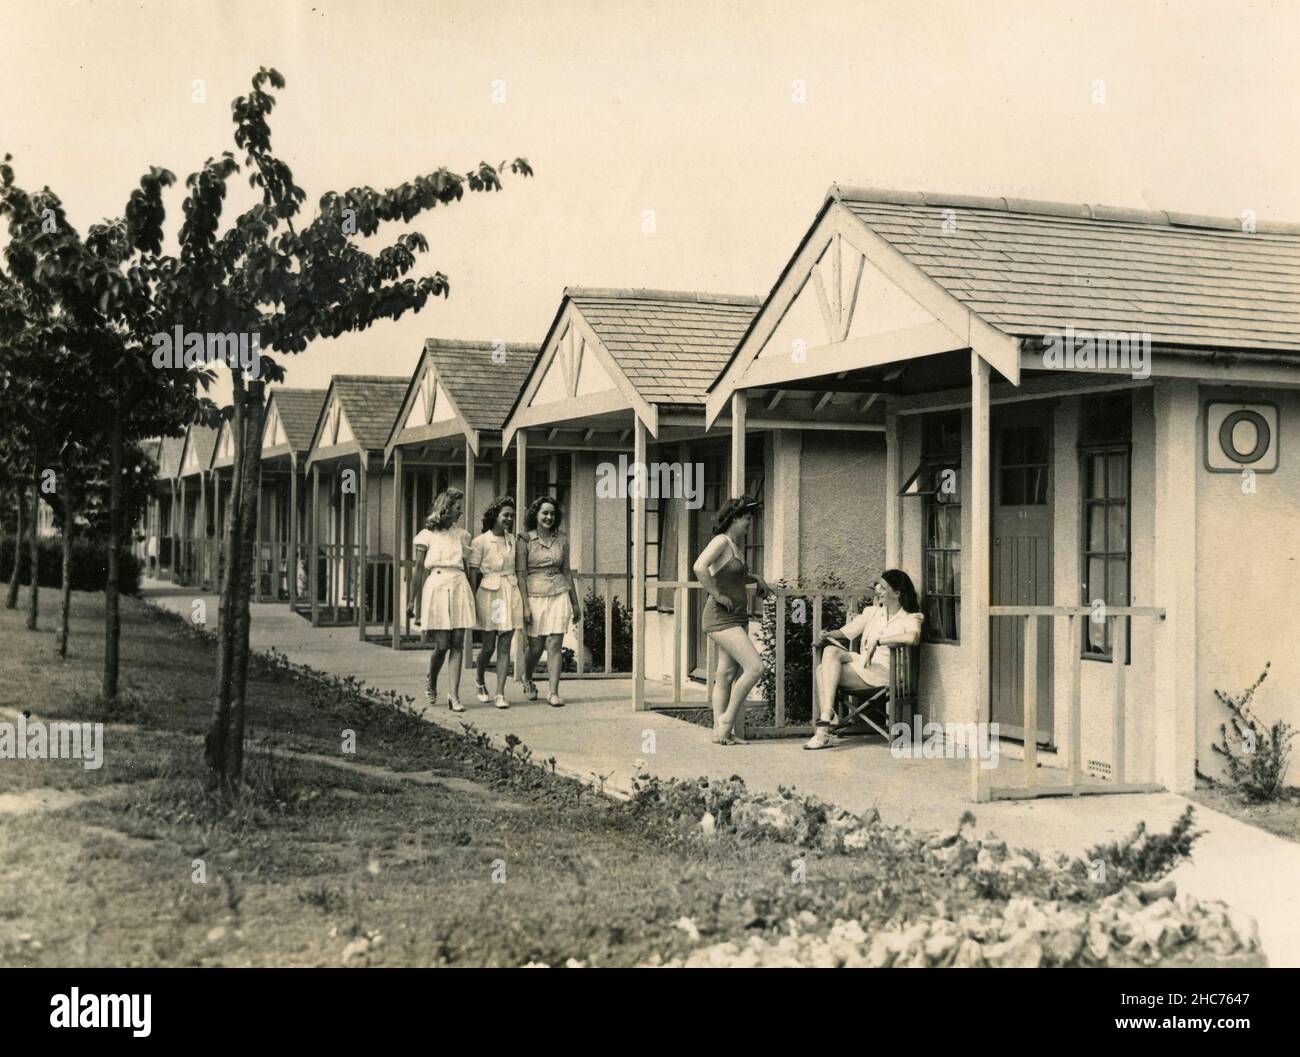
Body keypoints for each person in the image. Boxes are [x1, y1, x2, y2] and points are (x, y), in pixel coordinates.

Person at [805, 568, 923, 750]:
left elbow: (912, 638)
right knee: (830, 650)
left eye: (883, 587)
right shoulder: (872, 612)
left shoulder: (910, 617)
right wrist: (827, 634)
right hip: (865, 665)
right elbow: (847, 631)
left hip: (886, 674)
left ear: (897, 593)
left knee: (822, 670)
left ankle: (824, 727)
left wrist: (880, 640)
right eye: (878, 586)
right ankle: (828, 714)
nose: (877, 590)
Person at [692, 495, 770, 745]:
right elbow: (699, 566)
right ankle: (726, 720)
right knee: (755, 668)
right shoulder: (721, 541)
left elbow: (733, 577)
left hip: (737, 615)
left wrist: (756, 579)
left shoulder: (735, 546)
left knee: (726, 674)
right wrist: (715, 594)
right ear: (735, 518)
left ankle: (721, 733)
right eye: (747, 518)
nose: (750, 523)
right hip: (720, 616)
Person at [408, 488, 477, 713]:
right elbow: (418, 569)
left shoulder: (463, 536)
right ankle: (432, 679)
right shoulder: (426, 535)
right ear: (446, 508)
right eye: (458, 508)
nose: (460, 513)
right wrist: (412, 601)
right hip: (437, 586)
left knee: (458, 642)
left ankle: (454, 695)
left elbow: (468, 568)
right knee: (442, 645)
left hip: (459, 585)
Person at [516, 494, 581, 707]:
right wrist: (525, 606)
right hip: (534, 595)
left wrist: (575, 603)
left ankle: (553, 692)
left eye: (552, 514)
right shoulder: (525, 540)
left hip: (559, 592)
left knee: (555, 644)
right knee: (535, 647)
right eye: (545, 513)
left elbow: (567, 572)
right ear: (535, 515)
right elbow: (522, 576)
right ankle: (527, 678)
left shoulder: (561, 539)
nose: (549, 517)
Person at [468, 495, 522, 709]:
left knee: (506, 645)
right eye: (505, 515)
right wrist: (471, 600)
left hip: (510, 591)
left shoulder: (513, 540)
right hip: (490, 593)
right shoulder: (480, 541)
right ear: (495, 516)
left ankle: (500, 692)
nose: (509, 519)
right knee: (488, 645)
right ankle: (480, 679)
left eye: (512, 516)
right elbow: (473, 573)